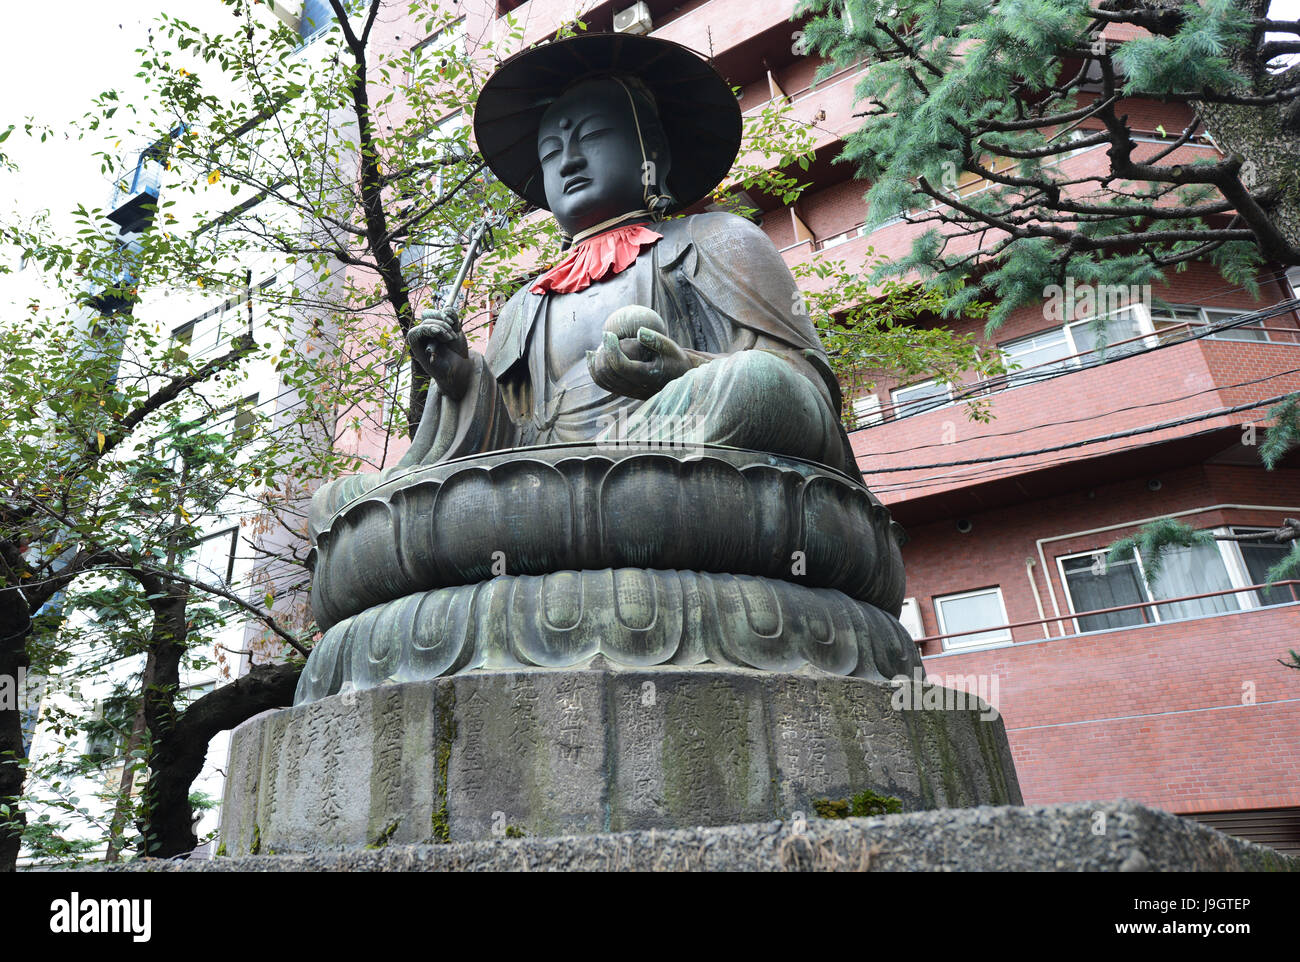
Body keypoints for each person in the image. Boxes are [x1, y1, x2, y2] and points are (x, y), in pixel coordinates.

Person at [313, 34, 861, 527]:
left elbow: (802, 393)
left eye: (593, 135)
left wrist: (684, 369)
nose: (568, 161)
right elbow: (511, 437)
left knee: (753, 386)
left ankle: (567, 507)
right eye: (551, 152)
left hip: (666, 451)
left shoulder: (714, 239)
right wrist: (461, 382)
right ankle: (553, 509)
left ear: (653, 152)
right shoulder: (524, 304)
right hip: (541, 478)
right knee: (338, 506)